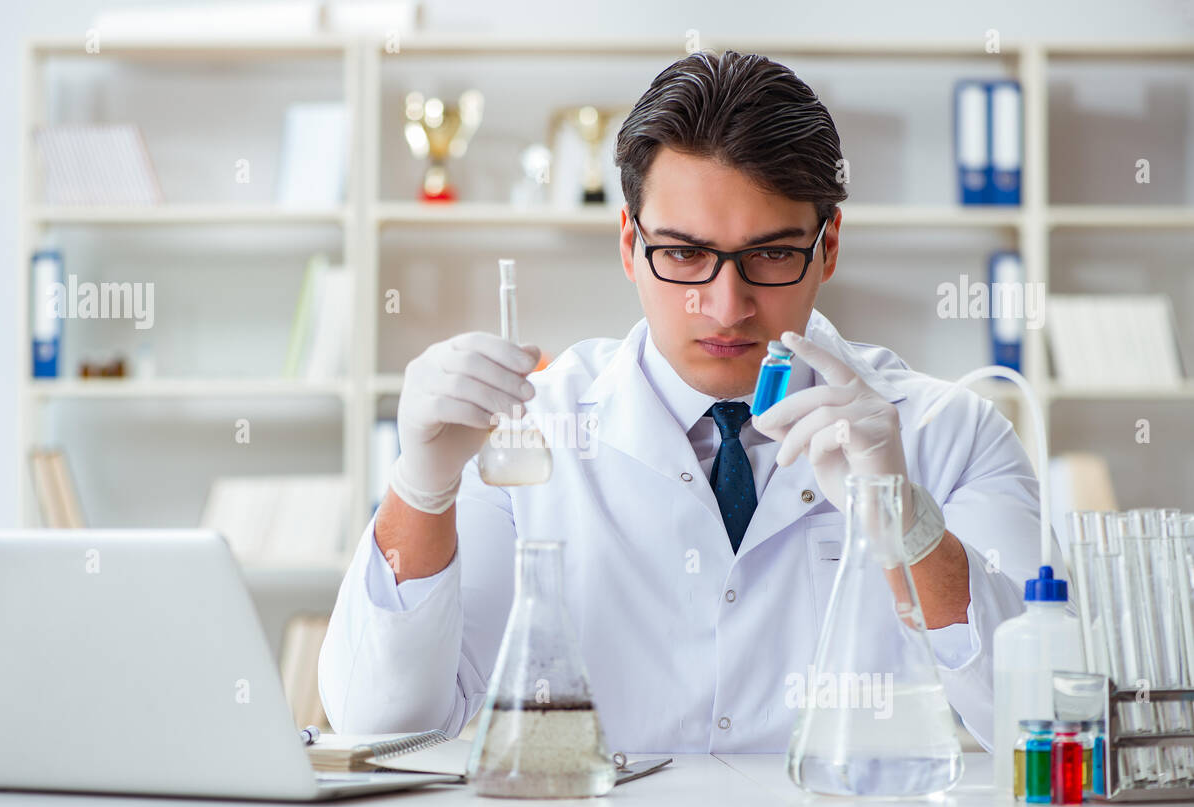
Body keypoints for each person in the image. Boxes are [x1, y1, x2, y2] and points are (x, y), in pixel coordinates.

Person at [320, 49, 1057, 752]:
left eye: (770, 253)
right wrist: (420, 485)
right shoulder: (528, 433)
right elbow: (385, 725)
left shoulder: (950, 434)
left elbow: (1049, 724)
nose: (727, 305)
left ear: (828, 245)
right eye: (684, 254)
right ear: (629, 245)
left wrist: (908, 524)